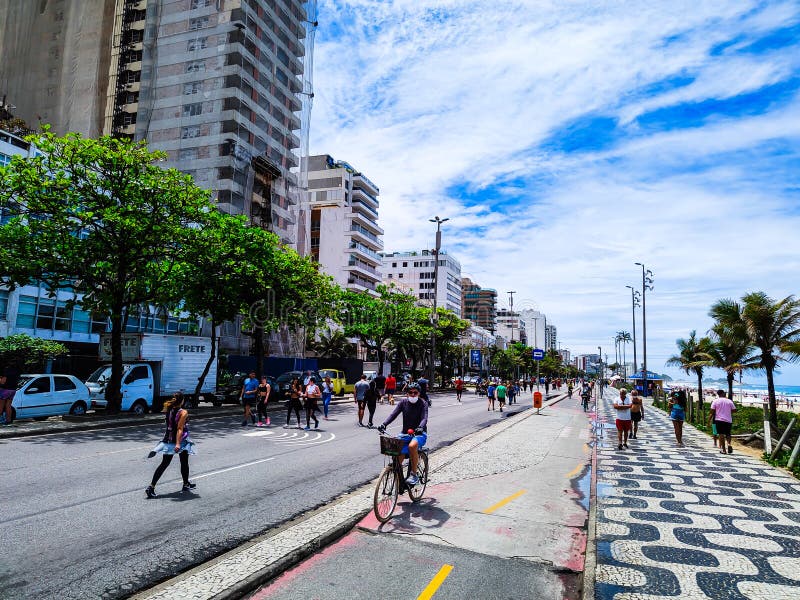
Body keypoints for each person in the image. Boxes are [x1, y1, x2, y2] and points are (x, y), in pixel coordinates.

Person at [145, 393, 196, 498]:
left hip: (168, 439)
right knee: (184, 462)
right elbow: (180, 429)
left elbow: (169, 425)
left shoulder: (169, 409)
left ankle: (152, 486)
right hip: (180, 441)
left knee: (165, 463)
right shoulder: (183, 412)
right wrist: (177, 443)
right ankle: (184, 484)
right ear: (182, 401)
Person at [378, 382, 429, 486]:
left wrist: (420, 427)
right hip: (405, 434)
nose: (413, 395)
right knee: (396, 452)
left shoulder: (423, 403)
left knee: (412, 446)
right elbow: (393, 414)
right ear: (407, 393)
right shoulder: (403, 402)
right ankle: (399, 479)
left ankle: (414, 474)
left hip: (419, 434)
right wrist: (384, 424)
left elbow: (424, 418)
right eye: (410, 392)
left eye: (415, 392)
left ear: (419, 393)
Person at [711, 389, 736, 454]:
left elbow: (712, 410)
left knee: (721, 434)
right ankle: (729, 444)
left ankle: (724, 450)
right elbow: (734, 410)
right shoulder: (729, 401)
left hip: (719, 420)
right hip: (728, 420)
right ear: (723, 393)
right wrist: (728, 412)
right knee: (728, 433)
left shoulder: (715, 401)